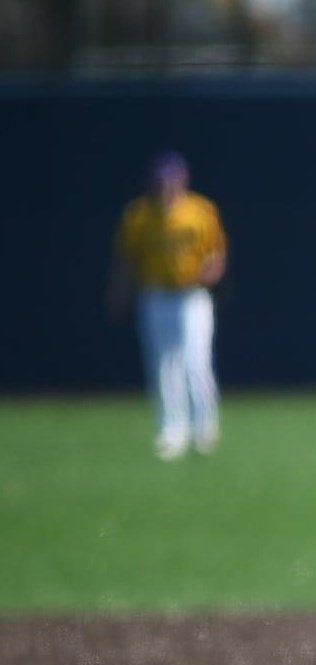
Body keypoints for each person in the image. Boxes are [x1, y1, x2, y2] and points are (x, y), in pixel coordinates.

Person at [108, 151, 227, 461]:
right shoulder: (138, 215)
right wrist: (120, 292)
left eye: (171, 180)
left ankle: (205, 429)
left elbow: (215, 255)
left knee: (196, 362)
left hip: (191, 296)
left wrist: (210, 274)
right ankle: (172, 431)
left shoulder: (200, 211)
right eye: (161, 180)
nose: (166, 186)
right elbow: (128, 260)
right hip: (156, 295)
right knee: (162, 365)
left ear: (182, 180)